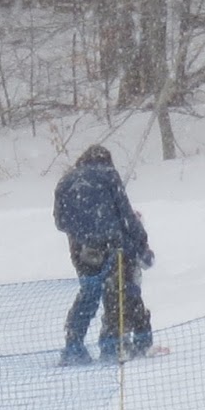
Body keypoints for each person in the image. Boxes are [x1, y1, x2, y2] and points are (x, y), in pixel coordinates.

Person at [53, 145, 155, 366]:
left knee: (88, 294)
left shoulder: (65, 180)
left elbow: (60, 222)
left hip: (81, 249)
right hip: (112, 246)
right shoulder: (108, 175)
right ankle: (113, 343)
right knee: (117, 291)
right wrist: (142, 244)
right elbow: (125, 215)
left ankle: (74, 345)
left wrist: (83, 233)